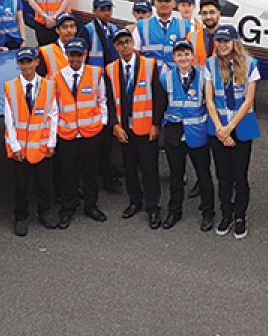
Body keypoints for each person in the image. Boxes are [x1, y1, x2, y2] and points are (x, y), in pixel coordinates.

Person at [203, 25, 259, 238]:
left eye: (226, 41)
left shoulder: (250, 64)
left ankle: (240, 216)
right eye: (219, 41)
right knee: (223, 175)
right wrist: (220, 128)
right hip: (218, 127)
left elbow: (249, 100)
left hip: (240, 126)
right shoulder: (209, 64)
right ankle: (226, 213)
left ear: (235, 42)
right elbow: (209, 98)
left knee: (240, 175)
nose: (222, 45)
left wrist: (229, 128)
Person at [155, 39, 214, 231]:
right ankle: (175, 211)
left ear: (193, 56)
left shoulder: (204, 77)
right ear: (174, 57)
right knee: (176, 175)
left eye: (186, 54)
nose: (183, 58)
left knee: (203, 175)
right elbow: (161, 105)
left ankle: (208, 212)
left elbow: (210, 103)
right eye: (179, 54)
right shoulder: (166, 78)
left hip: (197, 133)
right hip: (174, 133)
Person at [105, 30, 162, 228]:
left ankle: (153, 207)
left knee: (149, 168)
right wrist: (114, 125)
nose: (125, 46)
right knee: (129, 168)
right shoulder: (110, 69)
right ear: (115, 47)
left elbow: (158, 96)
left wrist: (156, 123)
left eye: (127, 42)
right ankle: (135, 201)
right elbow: (110, 101)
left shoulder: (150, 65)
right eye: (120, 43)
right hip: (124, 128)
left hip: (146, 127)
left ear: (133, 43)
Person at [53, 38, 109, 228]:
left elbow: (102, 99)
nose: (75, 59)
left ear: (84, 55)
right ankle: (68, 208)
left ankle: (91, 206)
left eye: (78, 55)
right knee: (68, 174)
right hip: (67, 133)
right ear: (67, 56)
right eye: (72, 55)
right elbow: (54, 107)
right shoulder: (57, 77)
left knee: (90, 171)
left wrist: (102, 122)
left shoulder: (95, 74)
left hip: (90, 132)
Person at [3, 48, 59, 235]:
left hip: (42, 145)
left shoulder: (49, 85)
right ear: (18, 65)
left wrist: (52, 142)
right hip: (20, 148)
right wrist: (15, 145)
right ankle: (21, 217)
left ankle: (45, 212)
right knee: (21, 185)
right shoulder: (10, 86)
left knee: (44, 182)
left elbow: (53, 114)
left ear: (36, 62)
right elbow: (9, 119)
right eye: (22, 62)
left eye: (29, 61)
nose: (26, 66)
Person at [135, 0, 191, 72]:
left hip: (175, 77)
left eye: (167, 1)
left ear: (174, 3)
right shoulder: (141, 26)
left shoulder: (186, 26)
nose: (163, 4)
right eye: (160, 1)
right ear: (154, 2)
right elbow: (135, 53)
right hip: (149, 76)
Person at [39, 13, 81, 79]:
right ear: (57, 30)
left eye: (72, 26)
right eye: (64, 27)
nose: (69, 30)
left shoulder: (83, 49)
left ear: (76, 29)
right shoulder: (46, 51)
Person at [84, 0, 120, 68]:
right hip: (94, 73)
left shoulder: (114, 28)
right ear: (94, 11)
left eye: (109, 9)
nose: (107, 13)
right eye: (102, 10)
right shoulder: (88, 29)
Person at [186, 0, 222, 66]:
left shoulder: (229, 37)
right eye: (205, 13)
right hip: (198, 76)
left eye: (212, 12)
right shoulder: (191, 37)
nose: (208, 17)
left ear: (219, 13)